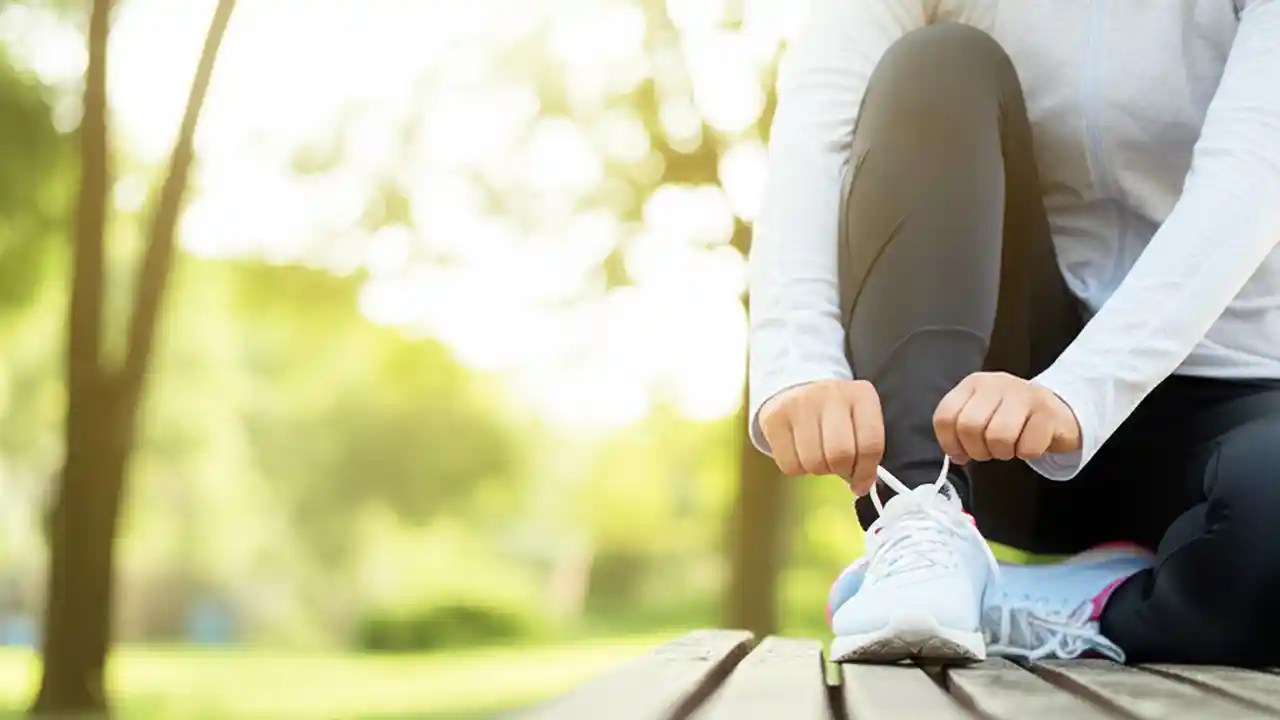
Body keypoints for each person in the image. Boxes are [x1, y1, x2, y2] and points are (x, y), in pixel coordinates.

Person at [750, 1, 1280, 665]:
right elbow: (813, 137)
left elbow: (1252, 173)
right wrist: (797, 362)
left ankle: (1051, 605)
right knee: (936, 63)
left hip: (1234, 389)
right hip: (983, 424)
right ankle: (922, 530)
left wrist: (1078, 394)